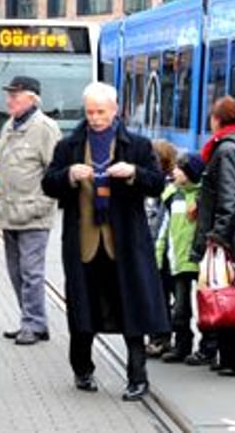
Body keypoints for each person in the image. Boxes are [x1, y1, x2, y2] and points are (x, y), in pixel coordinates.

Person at [41, 82, 169, 401]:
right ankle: (82, 370)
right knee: (82, 311)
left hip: (124, 245)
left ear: (115, 111)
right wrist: (69, 175)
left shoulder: (137, 145)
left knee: (132, 310)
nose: (95, 118)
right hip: (83, 244)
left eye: (101, 112)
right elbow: (48, 183)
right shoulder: (70, 145)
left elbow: (156, 184)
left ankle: (138, 378)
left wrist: (134, 173)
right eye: (90, 112)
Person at [190, 95, 235, 377]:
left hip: (233, 237)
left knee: (229, 295)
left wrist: (218, 235)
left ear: (217, 120)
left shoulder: (228, 151)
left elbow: (231, 198)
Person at [0, 76, 62, 346]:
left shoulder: (45, 128)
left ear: (32, 99)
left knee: (31, 272)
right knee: (16, 272)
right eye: (9, 95)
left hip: (34, 214)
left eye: (15, 95)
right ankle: (33, 321)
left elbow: (54, 170)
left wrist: (44, 205)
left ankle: (32, 324)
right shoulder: (9, 126)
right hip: (9, 213)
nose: (9, 100)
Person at [153, 154, 206, 363]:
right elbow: (163, 230)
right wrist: (158, 257)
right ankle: (182, 346)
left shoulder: (204, 196)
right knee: (181, 309)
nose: (174, 172)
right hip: (179, 260)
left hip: (200, 261)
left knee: (207, 307)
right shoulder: (172, 195)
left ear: (190, 174)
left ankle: (208, 348)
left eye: (179, 169)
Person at [145, 139, 180, 359]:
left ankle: (161, 338)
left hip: (163, 251)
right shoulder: (157, 183)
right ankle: (162, 338)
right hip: (161, 249)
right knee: (161, 297)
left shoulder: (166, 187)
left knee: (159, 297)